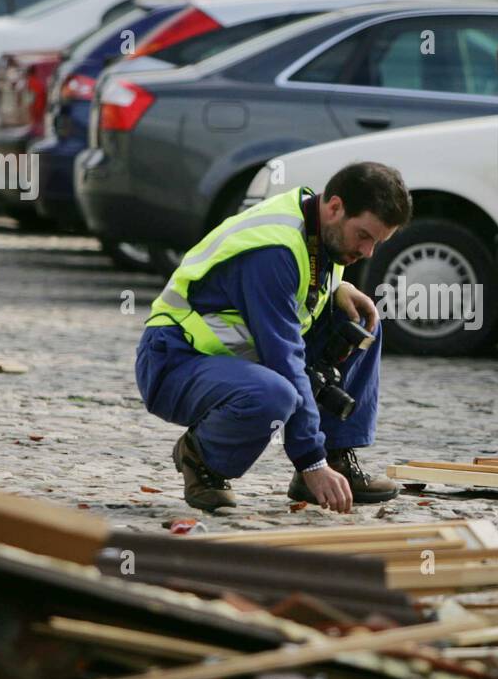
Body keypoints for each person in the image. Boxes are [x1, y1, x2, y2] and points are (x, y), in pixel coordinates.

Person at [135, 162, 412, 513]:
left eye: (377, 242)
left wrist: (336, 288)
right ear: (335, 208)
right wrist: (309, 460)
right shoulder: (273, 252)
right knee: (275, 394)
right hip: (175, 361)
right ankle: (202, 459)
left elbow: (300, 285)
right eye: (364, 236)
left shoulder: (317, 225)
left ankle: (335, 458)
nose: (368, 252)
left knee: (359, 321)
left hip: (232, 360)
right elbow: (285, 361)